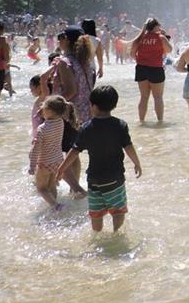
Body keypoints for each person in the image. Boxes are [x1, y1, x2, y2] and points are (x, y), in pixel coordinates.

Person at [57, 85, 142, 232]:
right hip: (115, 179)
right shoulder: (120, 125)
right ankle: (116, 233)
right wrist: (137, 163)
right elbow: (128, 146)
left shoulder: (86, 127)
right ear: (114, 105)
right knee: (118, 211)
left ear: (93, 106)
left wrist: (62, 168)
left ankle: (97, 235)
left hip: (94, 180)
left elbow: (74, 151)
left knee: (96, 213)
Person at [28, 95, 75, 210]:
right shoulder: (61, 122)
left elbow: (36, 150)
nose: (41, 111)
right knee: (52, 185)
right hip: (57, 160)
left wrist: (32, 165)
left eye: (43, 108)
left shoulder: (42, 129)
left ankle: (56, 205)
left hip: (44, 163)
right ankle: (55, 205)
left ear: (49, 111)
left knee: (41, 188)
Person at [129, 18, 172, 124]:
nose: (160, 27)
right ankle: (160, 121)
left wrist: (141, 60)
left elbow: (132, 54)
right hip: (155, 68)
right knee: (158, 97)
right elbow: (169, 50)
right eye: (159, 25)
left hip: (141, 68)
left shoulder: (140, 37)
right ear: (155, 26)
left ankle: (141, 121)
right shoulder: (161, 37)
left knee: (144, 97)